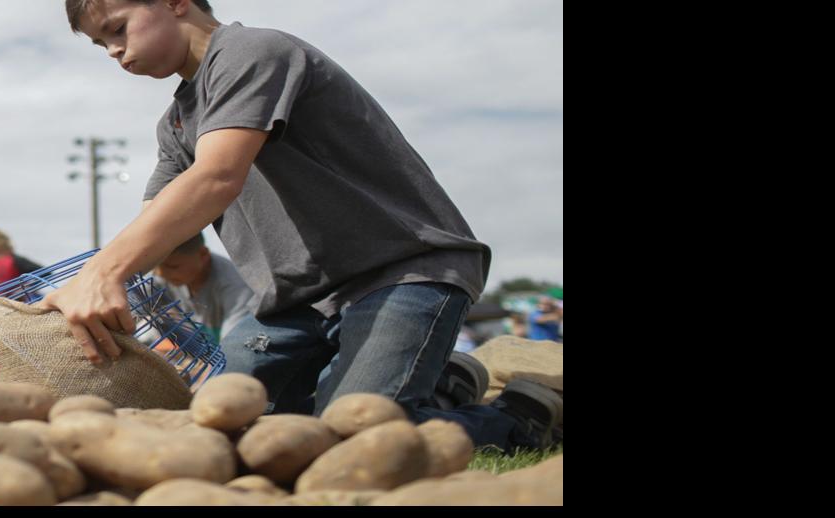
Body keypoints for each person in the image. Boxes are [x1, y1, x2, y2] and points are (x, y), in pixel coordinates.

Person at [43, 1, 555, 451]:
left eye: (116, 28)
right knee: (220, 425)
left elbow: (217, 175)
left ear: (176, 2)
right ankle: (444, 385)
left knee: (351, 436)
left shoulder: (252, 52)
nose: (112, 50)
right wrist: (88, 284)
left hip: (398, 273)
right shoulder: (176, 122)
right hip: (294, 305)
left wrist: (104, 271)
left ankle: (520, 420)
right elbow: (162, 217)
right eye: (99, 43)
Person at [152, 231, 256, 341]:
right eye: (157, 266)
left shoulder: (235, 286)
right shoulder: (165, 277)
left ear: (203, 254)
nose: (160, 273)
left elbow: (233, 343)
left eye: (173, 266)